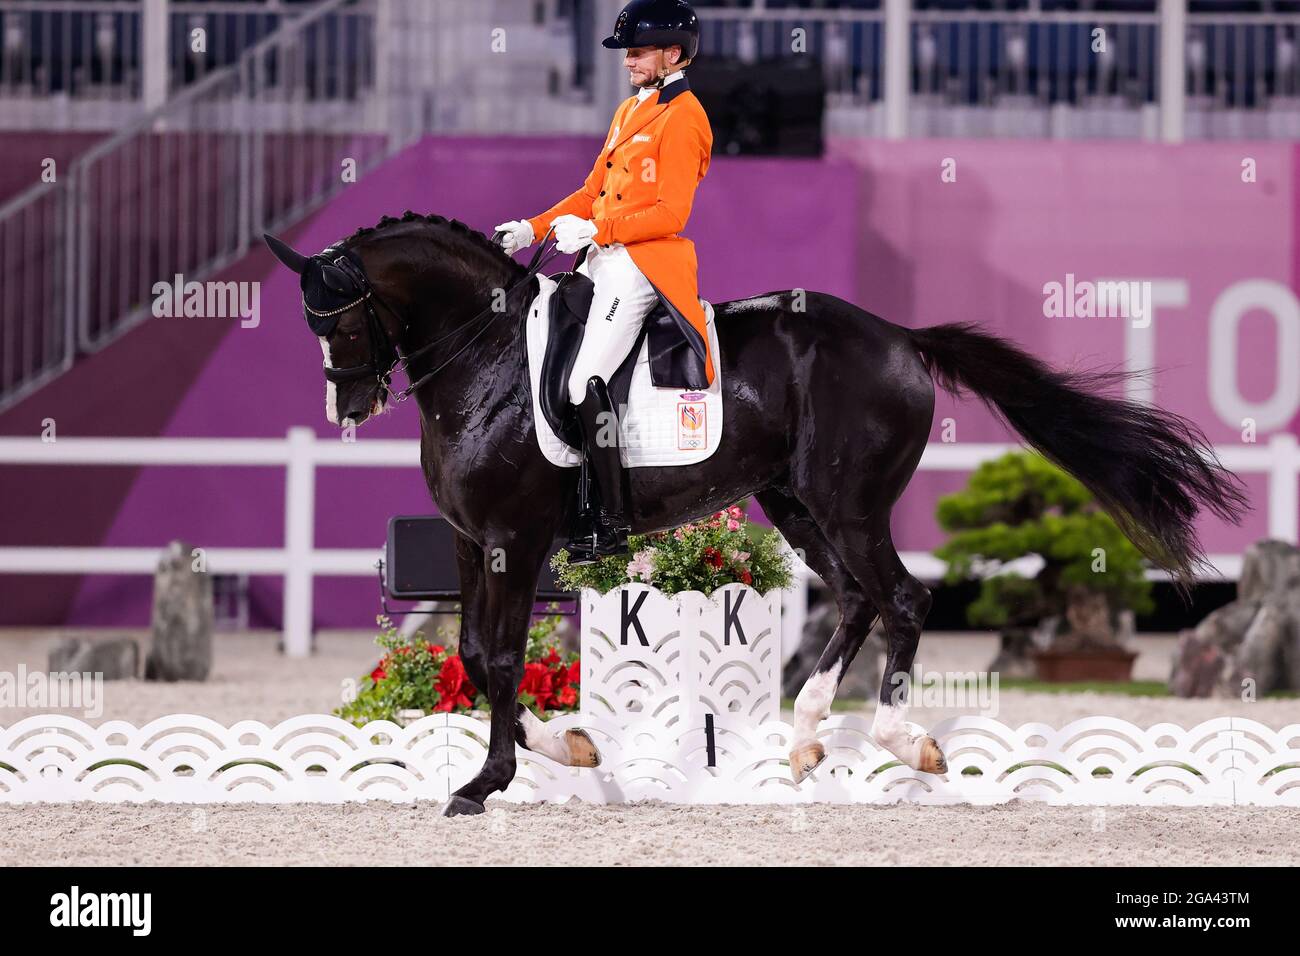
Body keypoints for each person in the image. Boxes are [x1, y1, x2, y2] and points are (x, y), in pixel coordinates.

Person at [494, 0, 714, 563]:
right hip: (602, 258)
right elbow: (590, 190)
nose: (628, 63)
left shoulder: (685, 115)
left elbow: (672, 214)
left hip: (642, 264)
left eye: (637, 53)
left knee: (583, 379)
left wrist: (600, 230)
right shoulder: (627, 112)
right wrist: (532, 226)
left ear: (673, 54)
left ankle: (610, 520)